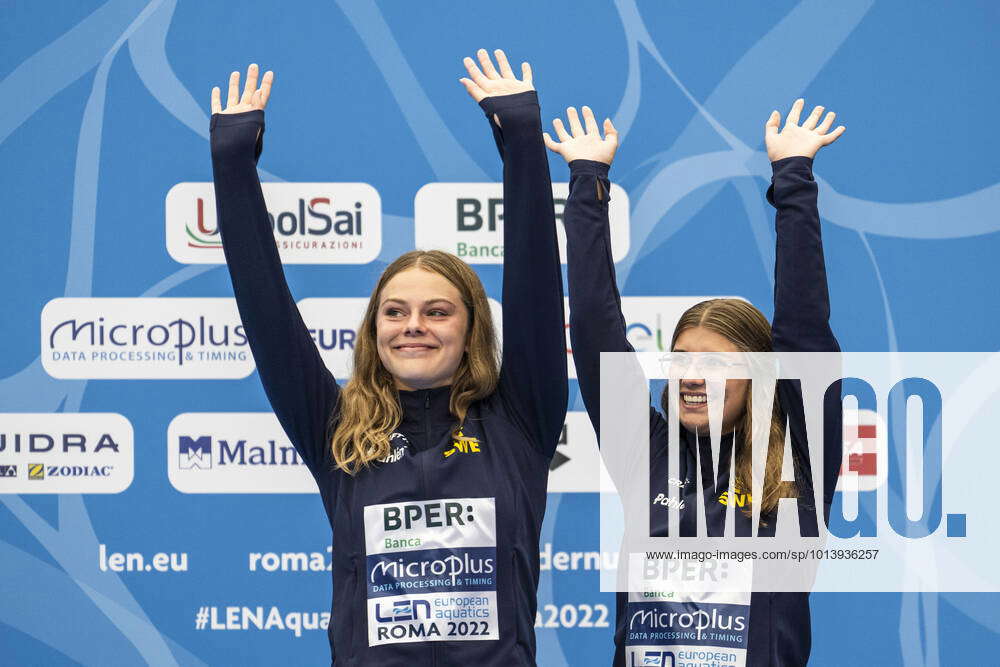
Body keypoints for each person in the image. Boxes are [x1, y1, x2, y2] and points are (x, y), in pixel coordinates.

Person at [209, 49, 566, 665]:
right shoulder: (339, 430)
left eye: (437, 311)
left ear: (471, 326)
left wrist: (523, 144)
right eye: (395, 312)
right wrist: (232, 166)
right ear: (374, 328)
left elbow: (535, 282)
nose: (413, 328)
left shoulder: (520, 420)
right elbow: (266, 310)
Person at [546, 100, 844, 666]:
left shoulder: (799, 461)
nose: (691, 377)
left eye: (714, 364)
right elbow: (593, 328)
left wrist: (794, 181)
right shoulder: (646, 450)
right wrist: (587, 184)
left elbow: (805, 328)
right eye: (681, 360)